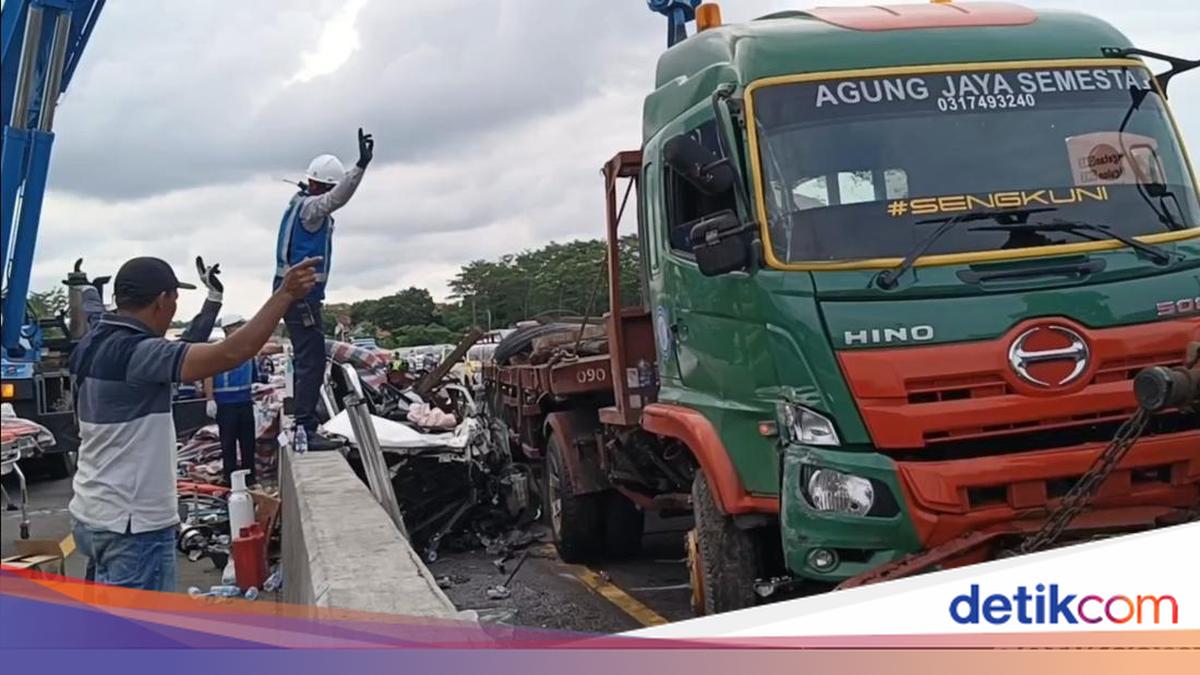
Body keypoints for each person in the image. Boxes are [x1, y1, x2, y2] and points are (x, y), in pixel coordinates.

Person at [69, 255, 320, 592]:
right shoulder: (138, 353)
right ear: (163, 300)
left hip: (92, 514)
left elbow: (184, 347)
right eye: (174, 299)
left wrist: (212, 301)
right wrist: (284, 294)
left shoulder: (92, 344)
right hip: (133, 524)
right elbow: (231, 352)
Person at [275, 128, 374, 450]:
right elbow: (337, 198)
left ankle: (306, 425)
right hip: (300, 297)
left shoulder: (297, 202)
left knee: (311, 359)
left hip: (296, 296)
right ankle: (306, 428)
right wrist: (360, 167)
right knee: (312, 361)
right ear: (320, 185)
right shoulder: (311, 208)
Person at [203, 315, 267, 486]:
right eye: (237, 326)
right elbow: (207, 374)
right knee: (228, 443)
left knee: (248, 442)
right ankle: (229, 477)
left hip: (244, 401)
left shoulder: (247, 348)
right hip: (225, 404)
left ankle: (250, 477)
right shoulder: (217, 349)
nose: (241, 329)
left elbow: (266, 349)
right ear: (228, 329)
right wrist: (210, 399)